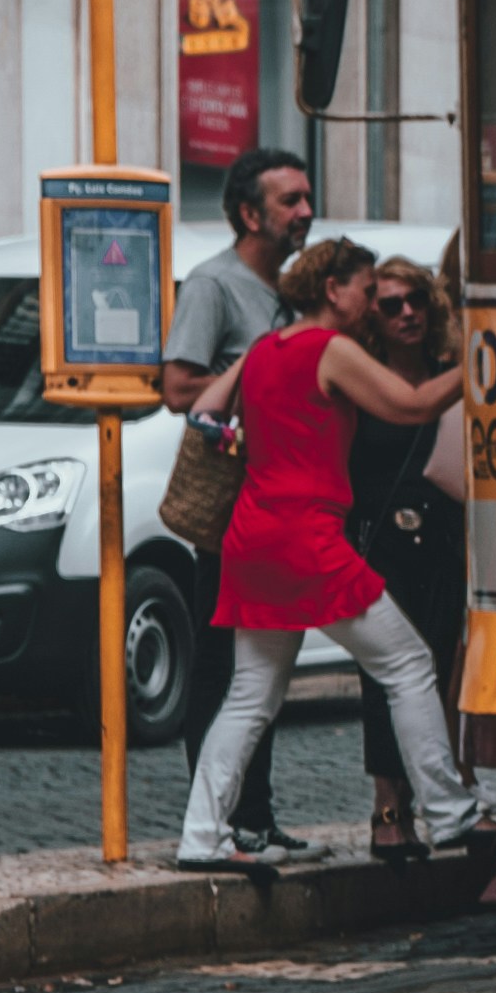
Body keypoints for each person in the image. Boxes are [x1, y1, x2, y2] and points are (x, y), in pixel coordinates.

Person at [177, 244, 478, 872]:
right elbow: (413, 405)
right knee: (408, 663)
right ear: (332, 289)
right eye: (367, 291)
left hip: (253, 535)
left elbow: (205, 410)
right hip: (306, 537)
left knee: (251, 696)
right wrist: (486, 362)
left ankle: (200, 837)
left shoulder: (266, 348)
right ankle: (451, 815)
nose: (373, 304)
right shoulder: (329, 350)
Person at [160, 144, 312, 854]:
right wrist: (253, 370)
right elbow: (178, 389)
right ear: (249, 214)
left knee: (263, 672)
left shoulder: (288, 289)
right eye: (291, 202)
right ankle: (222, 820)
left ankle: (255, 817)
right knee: (224, 670)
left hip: (279, 506)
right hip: (229, 513)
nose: (305, 212)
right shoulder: (214, 286)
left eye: (306, 199)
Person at [347, 258, 470, 862]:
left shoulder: (453, 374)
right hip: (382, 545)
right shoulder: (362, 381)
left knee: (438, 670)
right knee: (385, 677)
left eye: (416, 300)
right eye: (391, 305)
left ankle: (435, 799)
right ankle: (388, 811)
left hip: (444, 543)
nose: (407, 314)